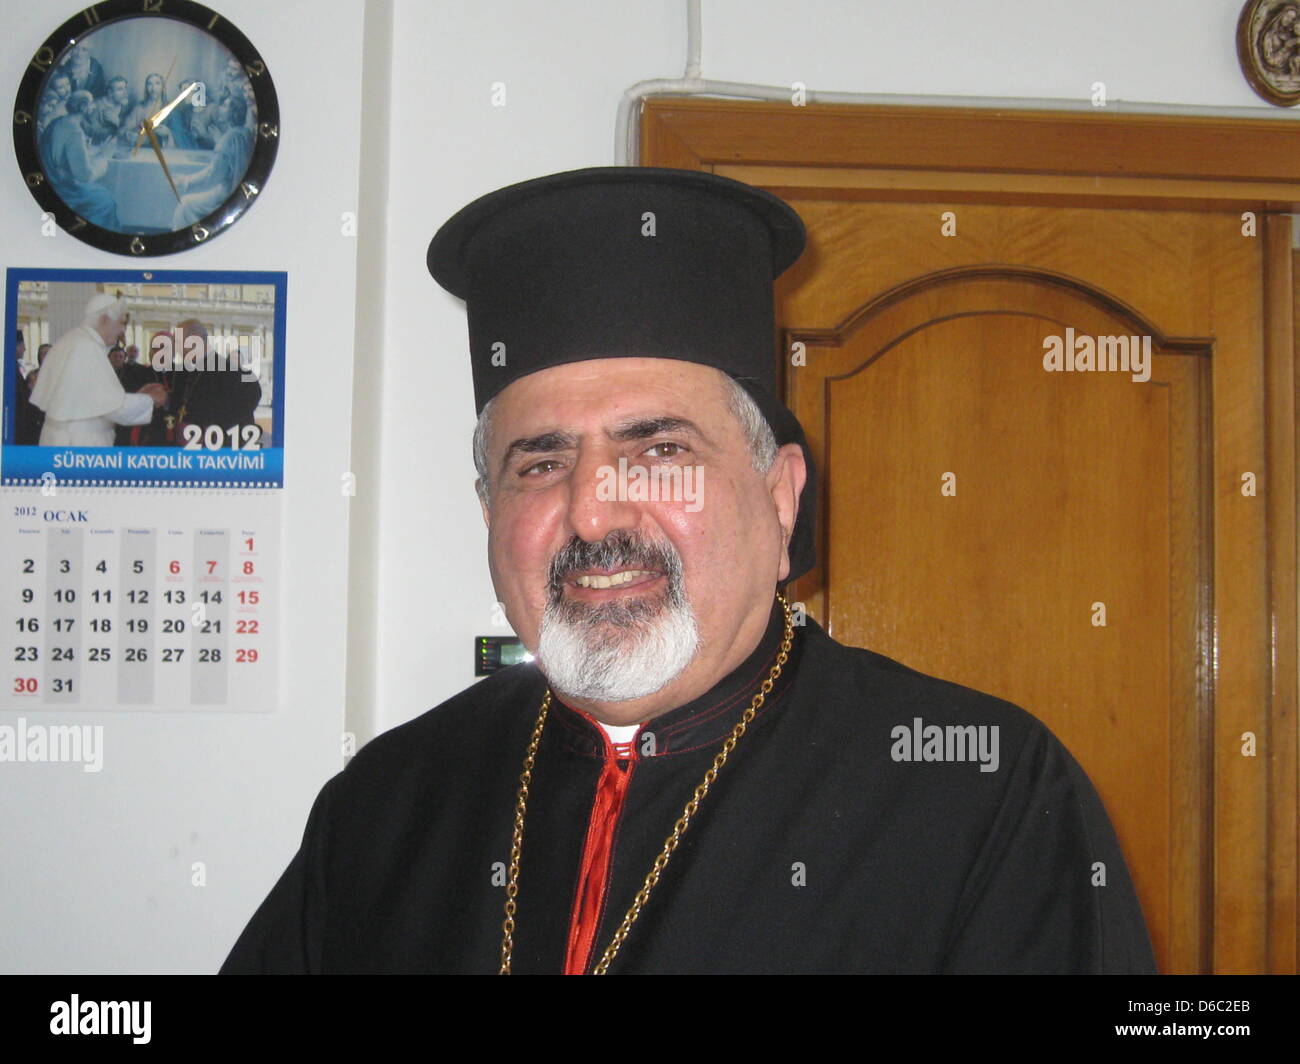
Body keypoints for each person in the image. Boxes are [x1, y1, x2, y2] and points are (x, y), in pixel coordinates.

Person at [220, 168, 1157, 974]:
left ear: (780, 498)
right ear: (489, 511)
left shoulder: (989, 794)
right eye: (540, 463)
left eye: (660, 448)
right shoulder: (389, 800)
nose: (592, 510)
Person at [29, 293, 165, 447]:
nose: (122, 331)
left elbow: (99, 401)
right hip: (79, 445)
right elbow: (115, 408)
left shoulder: (74, 339)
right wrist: (151, 399)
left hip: (66, 440)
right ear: (104, 319)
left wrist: (139, 397)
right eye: (120, 323)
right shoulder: (87, 348)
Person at [39, 91, 119, 231]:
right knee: (105, 200)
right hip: (64, 189)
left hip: (53, 181)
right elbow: (84, 176)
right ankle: (97, 238)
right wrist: (103, 156)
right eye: (91, 104)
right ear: (83, 107)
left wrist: (91, 152)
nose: (94, 107)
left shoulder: (58, 122)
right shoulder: (75, 131)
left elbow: (63, 158)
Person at [170, 95, 252, 229]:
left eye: (224, 106)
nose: (220, 109)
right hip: (236, 191)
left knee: (185, 204)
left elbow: (213, 175)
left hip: (226, 193)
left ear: (233, 113)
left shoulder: (228, 139)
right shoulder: (244, 133)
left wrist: (186, 180)